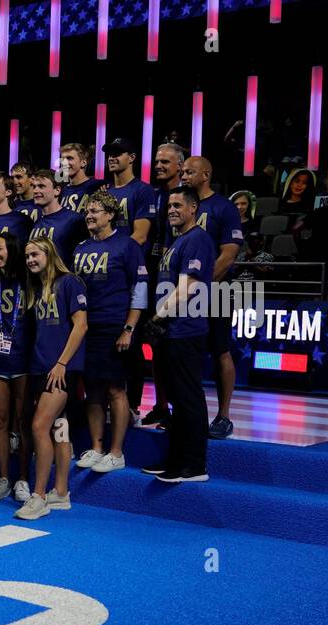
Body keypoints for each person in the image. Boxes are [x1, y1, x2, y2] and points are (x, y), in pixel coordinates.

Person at [143, 187, 216, 484]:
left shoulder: (197, 239)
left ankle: (194, 465)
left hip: (187, 330)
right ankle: (175, 460)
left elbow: (188, 289)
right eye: (169, 205)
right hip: (172, 332)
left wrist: (157, 317)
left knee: (188, 399)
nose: (171, 209)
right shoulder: (178, 240)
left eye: (177, 205)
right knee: (176, 399)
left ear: (193, 208)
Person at [72, 192, 149, 476]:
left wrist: (129, 328)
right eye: (87, 211)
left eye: (95, 210)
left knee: (115, 389)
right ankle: (96, 447)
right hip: (86, 328)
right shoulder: (79, 248)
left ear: (110, 214)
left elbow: (139, 288)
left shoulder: (127, 246)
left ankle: (116, 452)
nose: (89, 215)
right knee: (92, 389)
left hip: (115, 326)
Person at [14, 237, 89, 519]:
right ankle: (61, 492)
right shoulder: (37, 287)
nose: (30, 259)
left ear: (49, 253)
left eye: (35, 254)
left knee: (38, 427)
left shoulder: (69, 282)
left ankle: (39, 496)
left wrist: (61, 363)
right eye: (27, 256)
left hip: (60, 370)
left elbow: (81, 326)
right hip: (40, 367)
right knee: (59, 428)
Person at [179, 156, 245, 440]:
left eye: (189, 172)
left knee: (220, 350)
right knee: (184, 353)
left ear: (205, 175)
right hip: (184, 292)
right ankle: (185, 413)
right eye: (182, 172)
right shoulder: (179, 203)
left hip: (217, 290)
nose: (183, 176)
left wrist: (200, 286)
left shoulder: (224, 207)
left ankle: (224, 415)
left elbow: (229, 254)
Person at [0, 233, 34, 504]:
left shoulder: (29, 280)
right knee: (0, 421)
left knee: (24, 423)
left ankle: (24, 478)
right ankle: (4, 478)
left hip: (24, 361)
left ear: (12, 250)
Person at [141, 142, 187, 427]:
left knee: (175, 350)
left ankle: (179, 408)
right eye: (157, 161)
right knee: (155, 347)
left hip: (177, 281)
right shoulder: (152, 194)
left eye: (165, 162)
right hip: (152, 276)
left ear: (180, 166)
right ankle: (160, 405)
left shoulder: (187, 198)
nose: (159, 166)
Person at [103, 137, 157, 247]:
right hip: (107, 257)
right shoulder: (105, 192)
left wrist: (115, 254)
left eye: (117, 154)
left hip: (130, 259)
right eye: (110, 154)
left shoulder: (143, 190)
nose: (111, 158)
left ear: (132, 157)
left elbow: (140, 236)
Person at [28, 168, 88, 266]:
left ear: (57, 190)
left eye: (41, 186)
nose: (35, 190)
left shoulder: (74, 220)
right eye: (34, 187)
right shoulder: (36, 223)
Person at [57, 143, 104, 214]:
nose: (64, 163)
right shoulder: (61, 191)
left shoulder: (97, 186)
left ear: (83, 162)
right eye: (62, 159)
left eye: (69, 158)